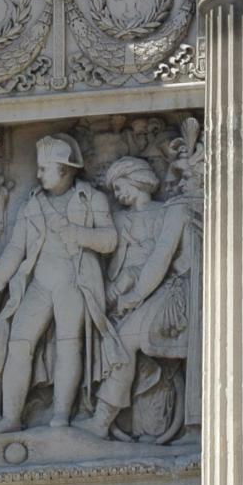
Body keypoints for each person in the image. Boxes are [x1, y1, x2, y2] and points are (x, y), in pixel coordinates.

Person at [0, 136, 122, 430]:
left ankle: (61, 417)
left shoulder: (91, 199)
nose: (38, 174)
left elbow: (109, 240)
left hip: (74, 282)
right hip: (39, 284)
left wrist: (77, 233)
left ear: (63, 169)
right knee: (18, 343)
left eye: (43, 169)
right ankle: (11, 417)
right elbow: (16, 249)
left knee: (68, 345)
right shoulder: (33, 204)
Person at [81, 156, 200, 441]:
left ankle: (101, 421)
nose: (118, 194)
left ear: (138, 179)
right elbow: (121, 263)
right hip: (145, 290)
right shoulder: (125, 219)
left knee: (122, 341)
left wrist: (133, 295)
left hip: (171, 294)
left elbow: (161, 260)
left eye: (120, 186)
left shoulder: (171, 211)